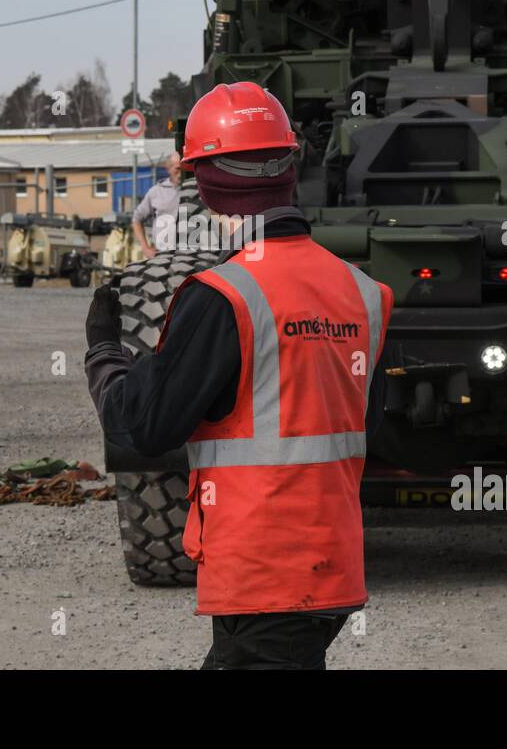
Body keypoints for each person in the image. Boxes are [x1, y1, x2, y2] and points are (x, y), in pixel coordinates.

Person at [85, 82, 392, 670]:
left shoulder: (224, 296)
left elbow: (144, 428)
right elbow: (362, 418)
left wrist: (104, 352)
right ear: (290, 166)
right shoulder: (362, 292)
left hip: (262, 571)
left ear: (205, 181)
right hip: (329, 566)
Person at [131, 152, 183, 257]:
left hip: (194, 252)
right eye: (178, 169)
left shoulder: (199, 190)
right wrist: (145, 248)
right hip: (163, 254)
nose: (181, 174)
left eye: (184, 169)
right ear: (168, 169)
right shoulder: (156, 192)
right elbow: (136, 219)